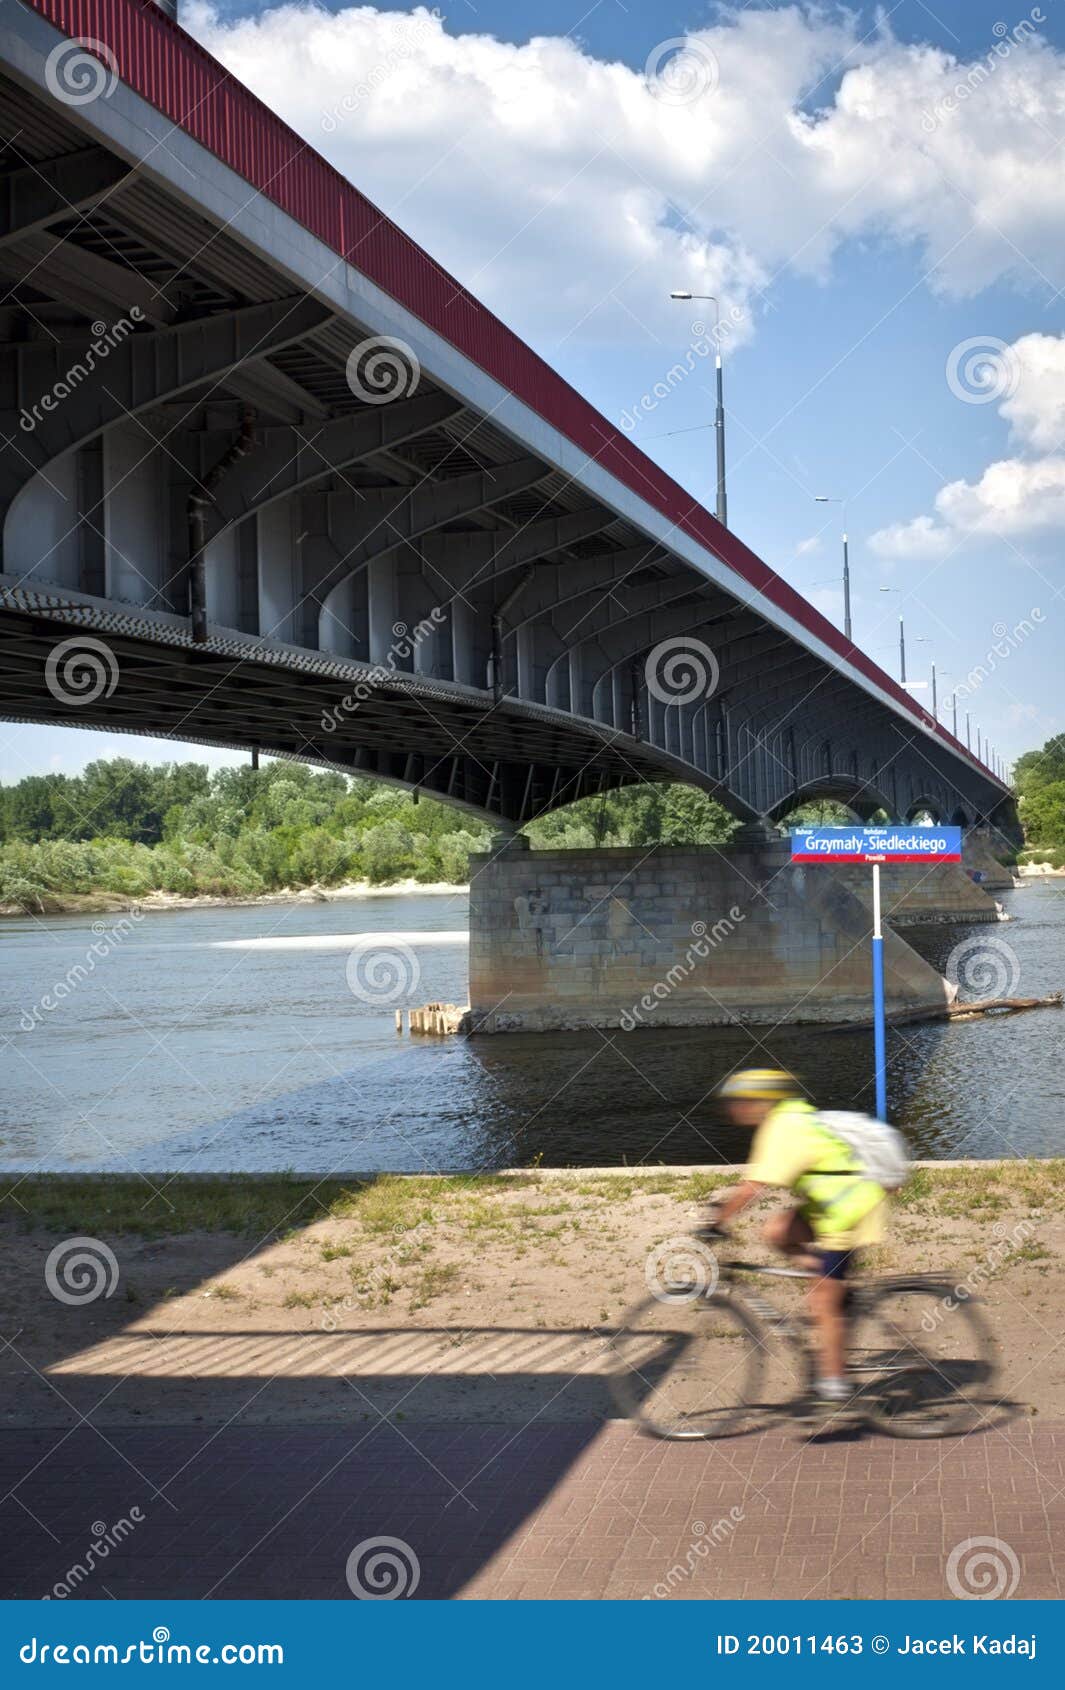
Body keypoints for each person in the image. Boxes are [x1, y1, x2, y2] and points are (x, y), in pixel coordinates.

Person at [710, 1068, 887, 1403]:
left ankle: (835, 1384)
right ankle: (831, 1284)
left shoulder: (782, 1129)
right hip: (829, 1203)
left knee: (822, 1302)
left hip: (848, 1209)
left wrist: (716, 1221)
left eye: (739, 1102)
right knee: (776, 1231)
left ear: (758, 1102)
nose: (734, 1110)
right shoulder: (787, 1118)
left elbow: (751, 1189)